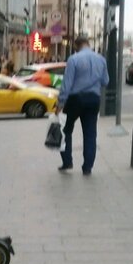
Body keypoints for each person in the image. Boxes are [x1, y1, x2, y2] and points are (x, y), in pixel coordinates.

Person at [56, 35, 109, 175]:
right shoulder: (101, 59)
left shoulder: (73, 59)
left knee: (66, 130)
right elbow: (105, 81)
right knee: (90, 133)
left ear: (76, 46)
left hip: (75, 99)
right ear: (88, 44)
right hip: (94, 99)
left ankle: (67, 161)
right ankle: (87, 167)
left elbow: (67, 84)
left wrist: (60, 102)